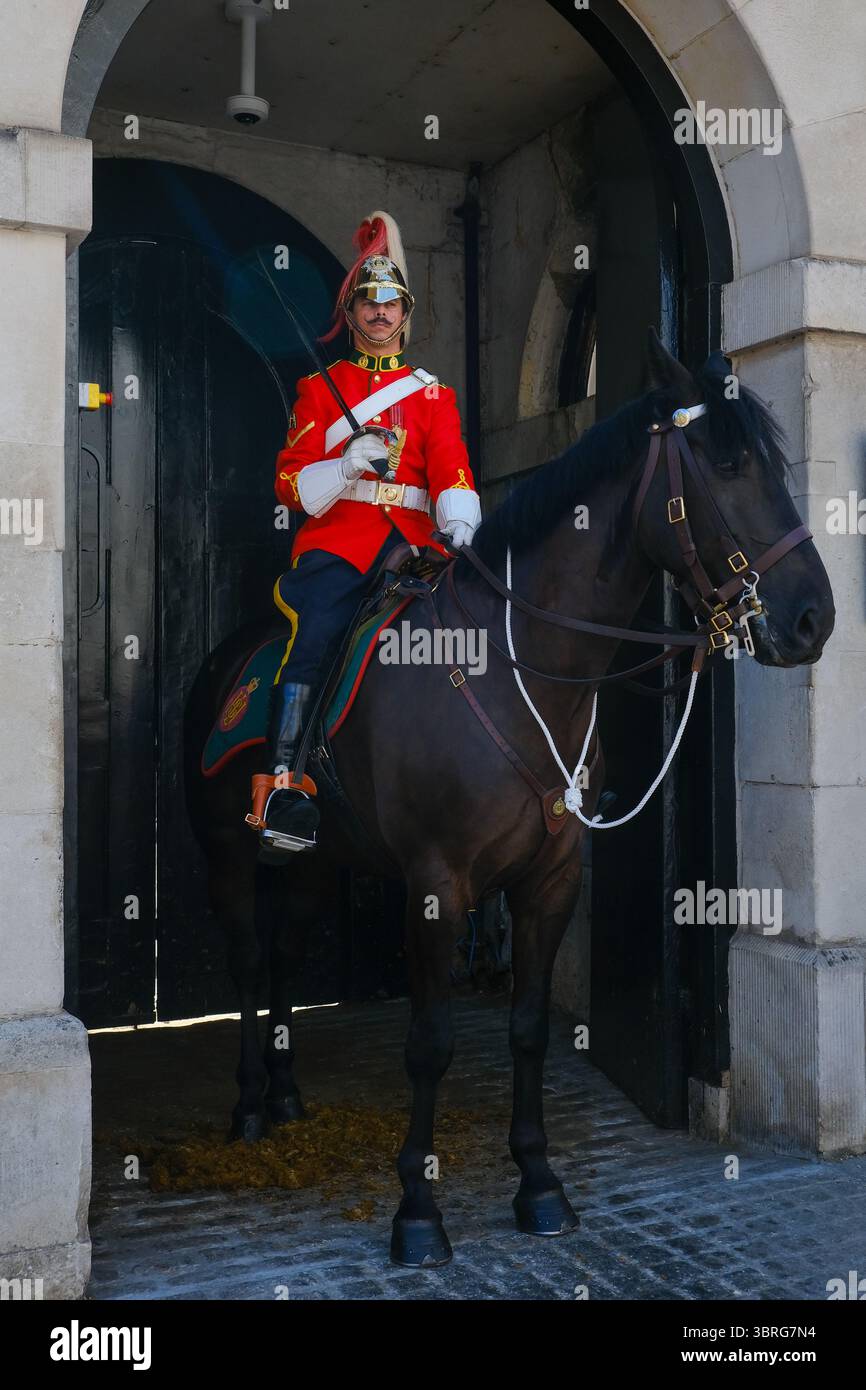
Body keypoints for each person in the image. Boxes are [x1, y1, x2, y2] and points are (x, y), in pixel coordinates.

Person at [248, 210, 482, 859]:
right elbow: (289, 484)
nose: (380, 313)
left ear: (406, 314)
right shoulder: (320, 391)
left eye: (391, 302)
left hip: (414, 543)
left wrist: (458, 514)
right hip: (340, 545)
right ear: (350, 313)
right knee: (315, 636)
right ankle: (285, 793)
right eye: (367, 301)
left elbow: (452, 464)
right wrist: (344, 462)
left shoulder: (434, 396)